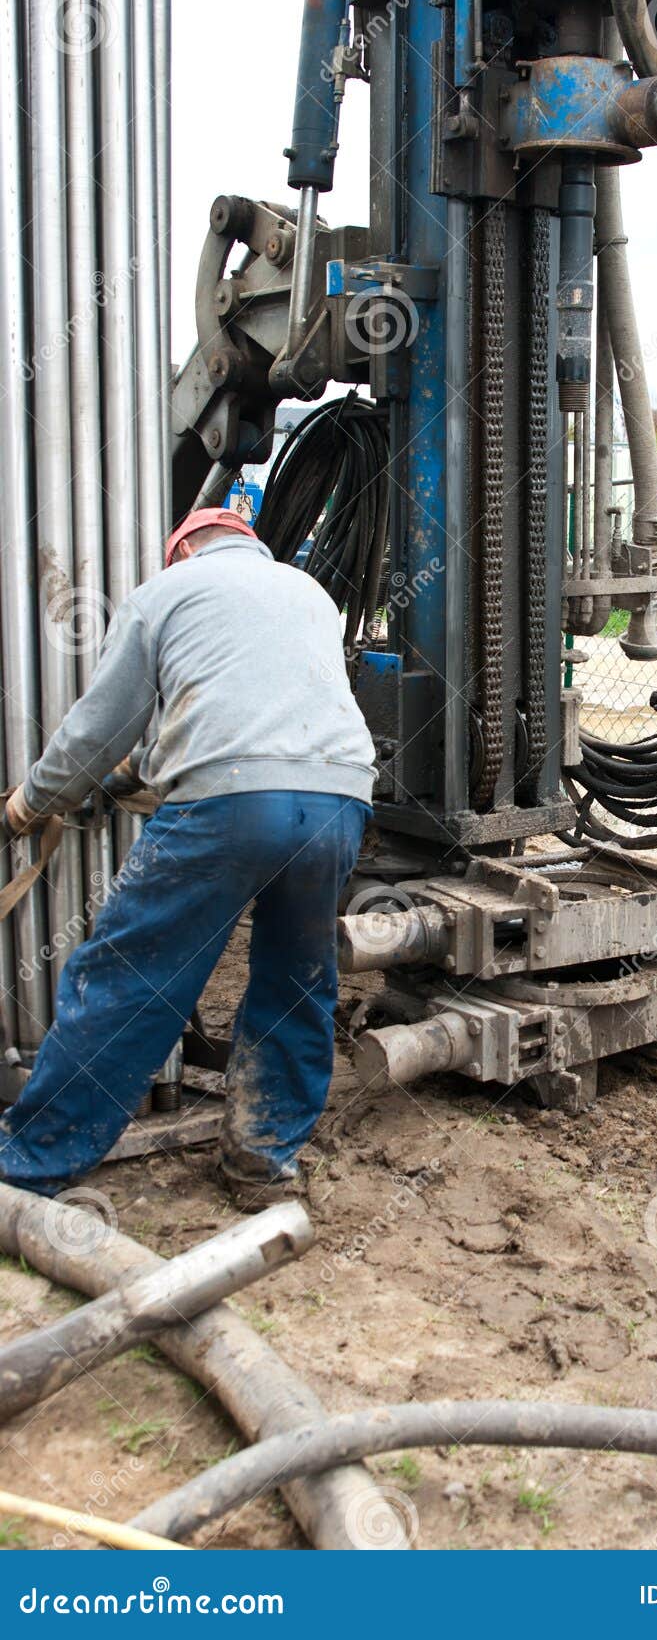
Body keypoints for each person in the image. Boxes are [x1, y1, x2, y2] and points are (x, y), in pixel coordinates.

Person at [0, 508, 375, 1206]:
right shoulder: (309, 594)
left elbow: (96, 731)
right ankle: (262, 1163)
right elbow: (258, 711)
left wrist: (29, 803)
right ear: (250, 546)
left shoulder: (163, 594)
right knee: (296, 981)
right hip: (338, 801)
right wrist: (142, 771)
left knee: (131, 977)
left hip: (228, 806)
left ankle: (30, 1165)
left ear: (182, 552)